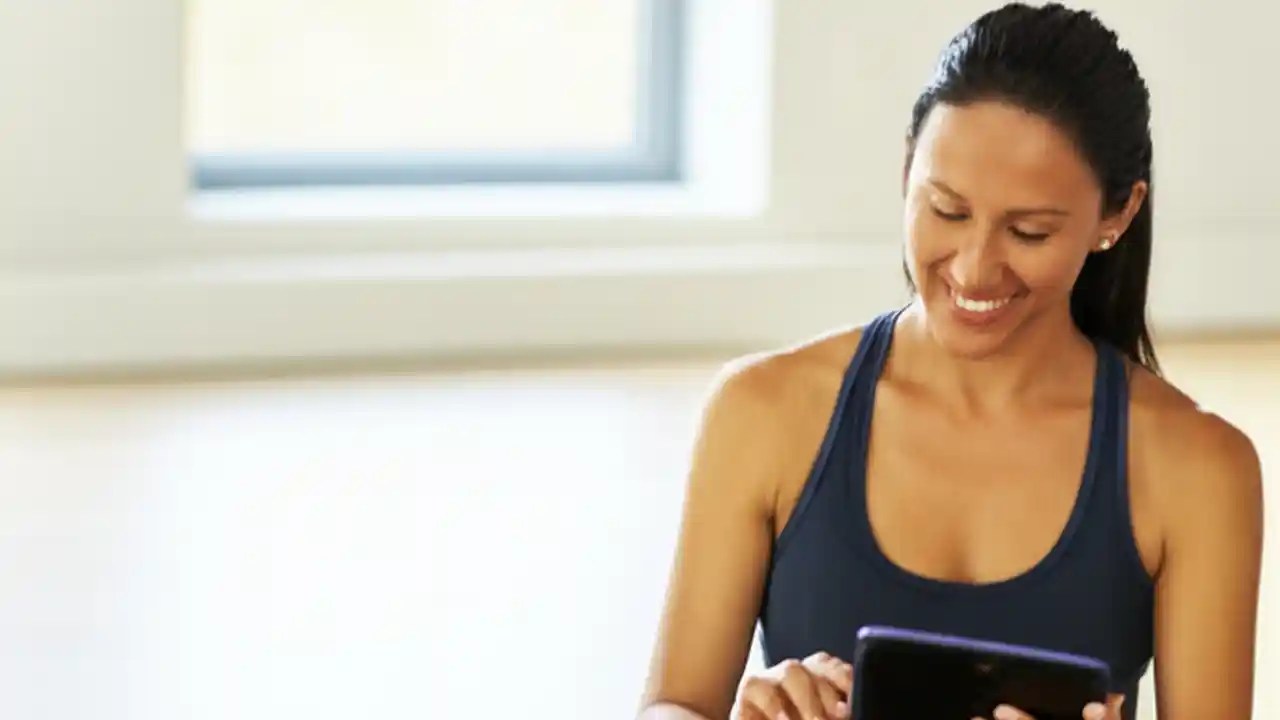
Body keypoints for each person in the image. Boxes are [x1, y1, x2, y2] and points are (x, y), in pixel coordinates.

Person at [636, 4, 1264, 720]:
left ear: (1116, 216)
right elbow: (672, 705)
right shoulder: (763, 411)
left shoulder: (1199, 470)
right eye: (946, 210)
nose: (974, 268)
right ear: (908, 169)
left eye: (1029, 231)